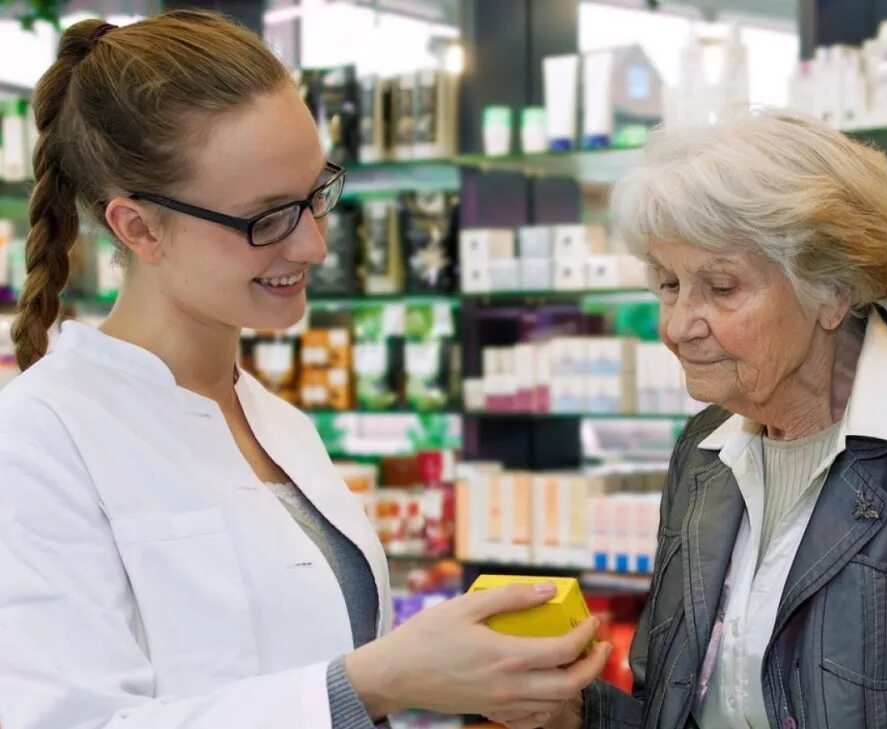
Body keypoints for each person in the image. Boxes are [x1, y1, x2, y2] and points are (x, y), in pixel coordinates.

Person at [0, 12, 612, 729]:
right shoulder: (37, 440)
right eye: (267, 217)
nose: (315, 244)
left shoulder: (276, 420)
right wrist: (371, 684)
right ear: (138, 227)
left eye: (315, 193)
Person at [530, 110, 887, 729]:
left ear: (832, 292)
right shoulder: (706, 449)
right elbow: (669, 711)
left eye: (722, 288)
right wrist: (568, 711)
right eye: (668, 284)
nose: (676, 328)